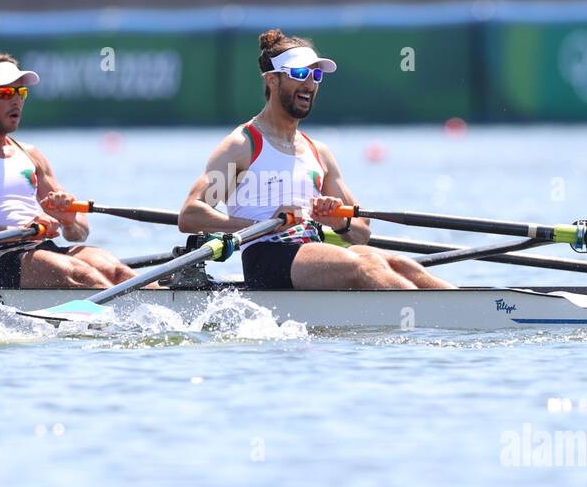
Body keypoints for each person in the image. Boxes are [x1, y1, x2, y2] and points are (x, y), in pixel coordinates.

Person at [178, 29, 454, 291]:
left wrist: (338, 221)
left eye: (316, 75)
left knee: (400, 264)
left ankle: (481, 311)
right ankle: (423, 319)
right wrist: (255, 226)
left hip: (311, 248)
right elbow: (191, 214)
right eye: (299, 74)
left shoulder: (317, 152)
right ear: (272, 80)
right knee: (366, 265)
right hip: (268, 257)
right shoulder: (242, 147)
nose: (310, 84)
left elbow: (361, 231)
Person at [0, 52, 136, 289]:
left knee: (117, 271)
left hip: (42, 248)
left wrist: (68, 220)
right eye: (5, 93)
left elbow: (79, 233)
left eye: (21, 92)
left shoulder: (31, 155)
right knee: (82, 275)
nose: (16, 101)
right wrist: (16, 232)